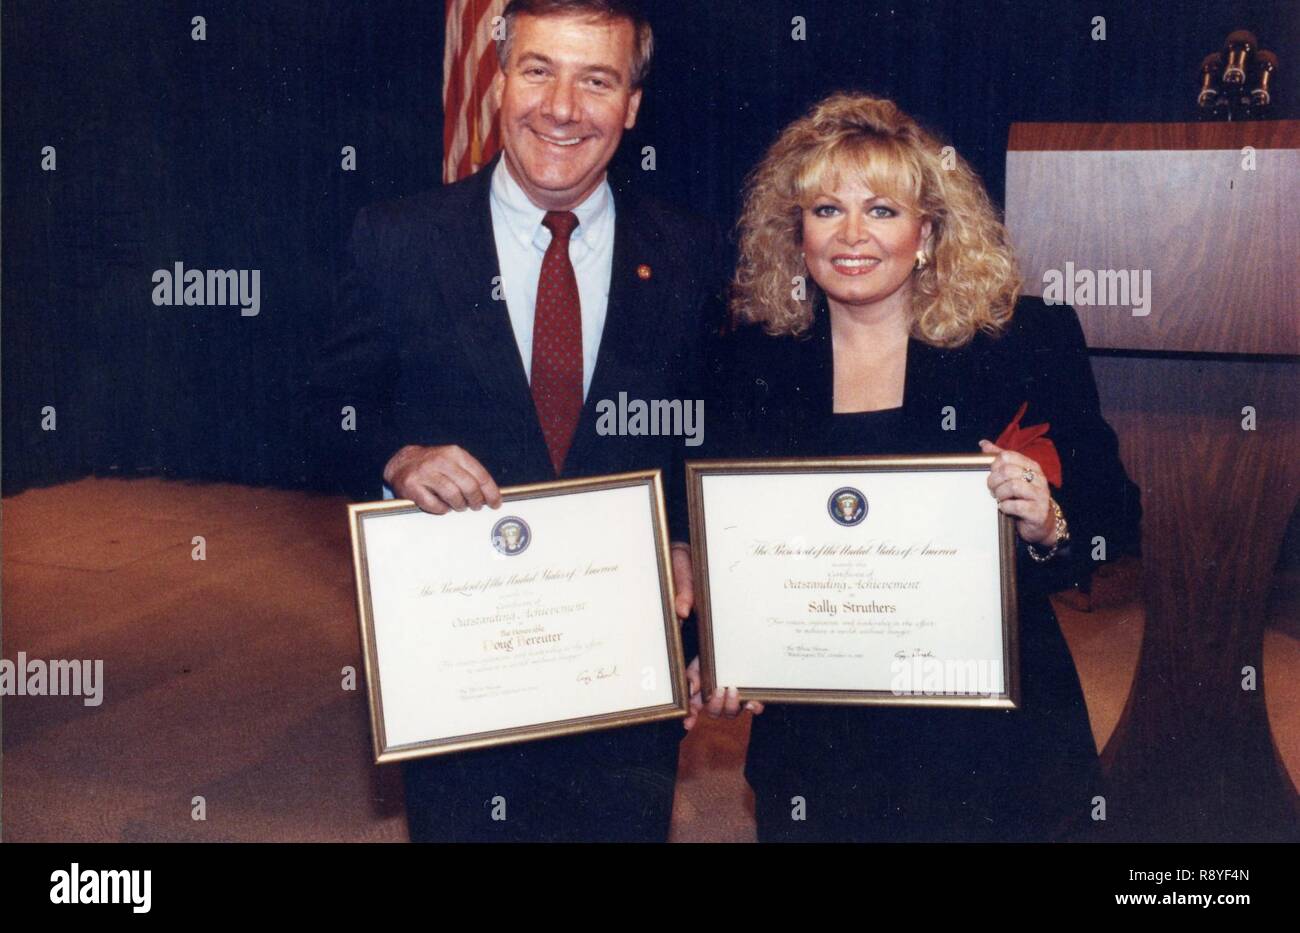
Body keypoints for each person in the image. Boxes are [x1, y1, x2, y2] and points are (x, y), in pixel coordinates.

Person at [306, 0, 721, 842]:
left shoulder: (693, 252)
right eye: (537, 69)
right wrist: (397, 454)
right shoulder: (398, 238)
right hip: (463, 674)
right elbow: (326, 405)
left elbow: (715, 437)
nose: (562, 107)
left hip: (625, 672)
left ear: (632, 105)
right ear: (499, 81)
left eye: (595, 79)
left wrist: (692, 546)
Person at [696, 92, 1142, 842]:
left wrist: (1050, 520)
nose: (852, 235)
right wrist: (725, 646)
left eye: (882, 210)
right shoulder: (750, 359)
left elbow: (1115, 515)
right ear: (796, 232)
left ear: (927, 232)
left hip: (993, 728)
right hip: (821, 733)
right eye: (826, 210)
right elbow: (722, 536)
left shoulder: (1023, 341)